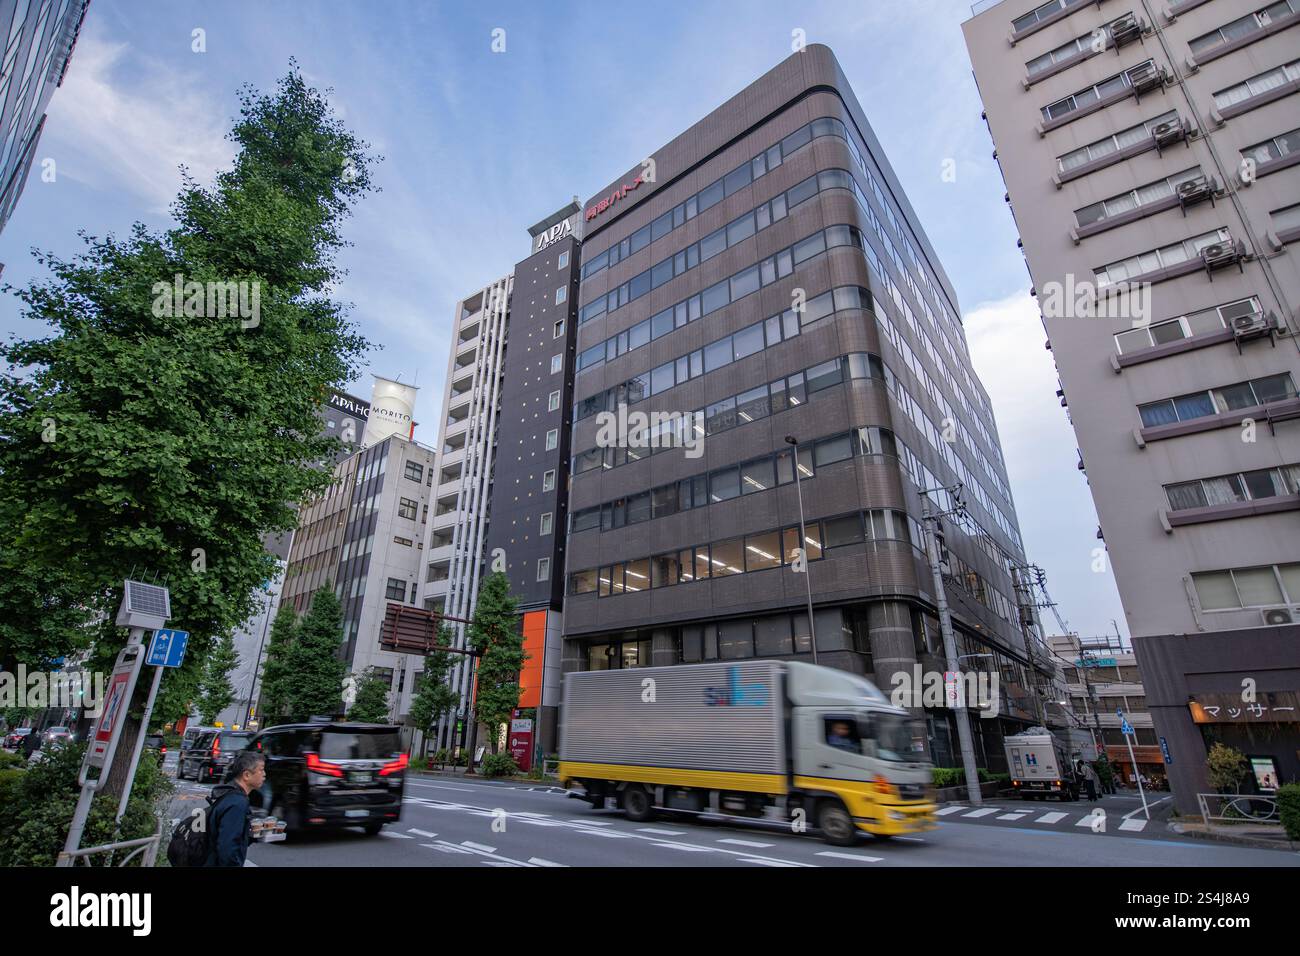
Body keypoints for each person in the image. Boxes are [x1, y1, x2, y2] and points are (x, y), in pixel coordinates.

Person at [203, 750, 266, 867]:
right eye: (261, 770)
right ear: (246, 775)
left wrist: (251, 834)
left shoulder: (228, 794)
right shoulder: (237, 803)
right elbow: (227, 848)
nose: (264, 774)